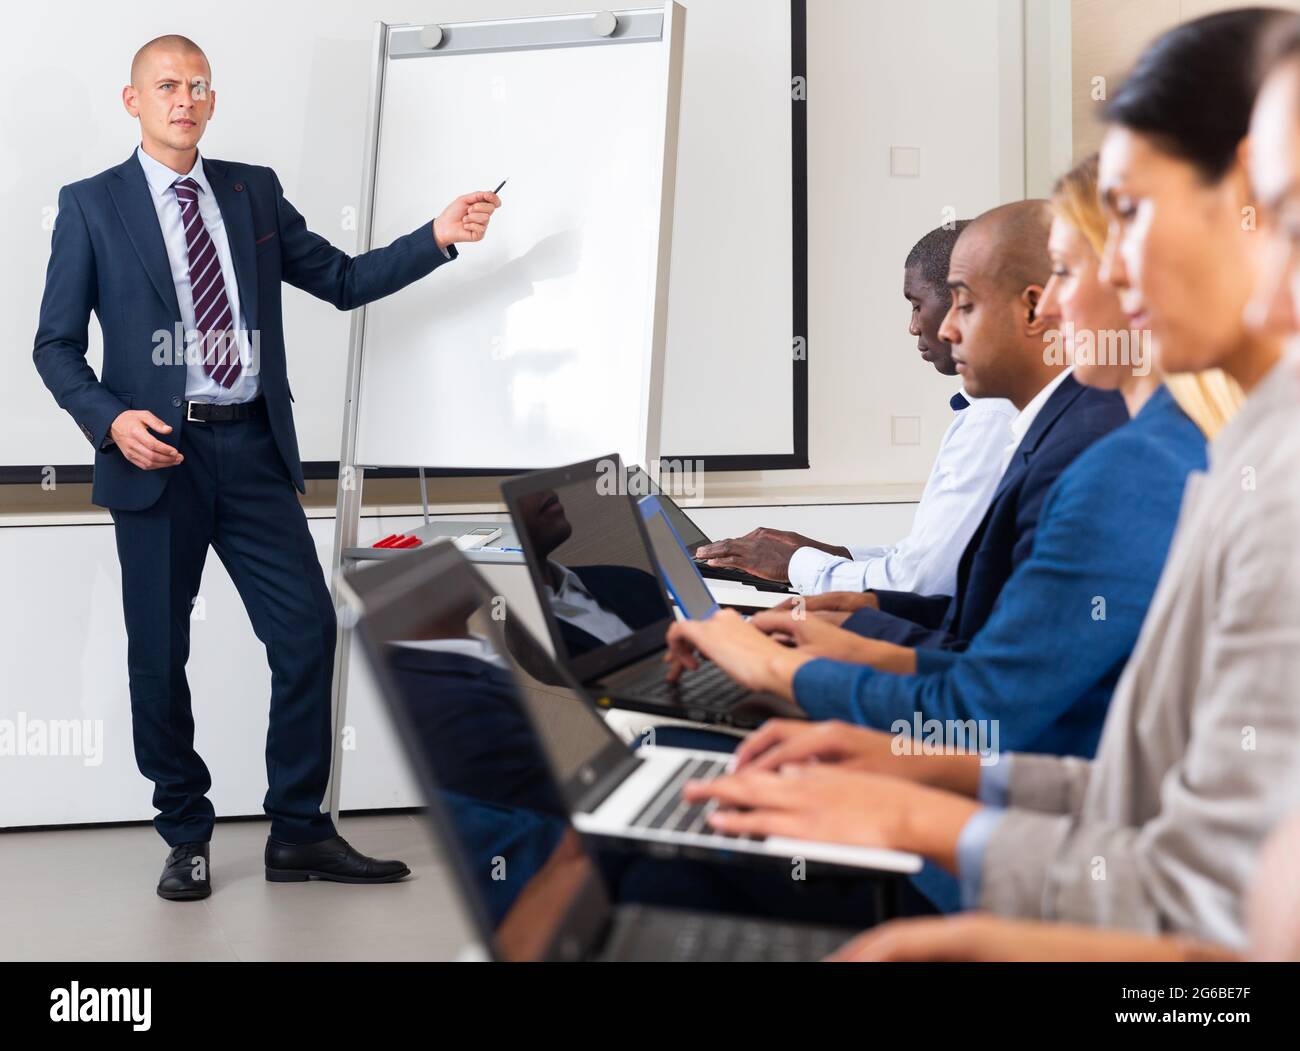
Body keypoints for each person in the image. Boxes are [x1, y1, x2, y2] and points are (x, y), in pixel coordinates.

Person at [673, 7, 1300, 949]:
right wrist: (919, 783)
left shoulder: (1182, 467)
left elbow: (1200, 914)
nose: (1117, 271)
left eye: (1129, 216)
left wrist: (923, 821)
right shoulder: (1238, 455)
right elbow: (1141, 788)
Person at [31, 35, 502, 900]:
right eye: (167, 85)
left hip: (251, 450)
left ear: (213, 100)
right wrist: (109, 421)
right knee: (158, 656)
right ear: (133, 101)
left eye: (199, 85)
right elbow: (54, 346)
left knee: (307, 630)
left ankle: (298, 829)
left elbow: (344, 278)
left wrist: (436, 236)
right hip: (155, 458)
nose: (186, 98)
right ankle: (186, 831)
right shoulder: (91, 204)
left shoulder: (252, 190)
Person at [664, 156, 1212, 767]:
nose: (1050, 305)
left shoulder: (1112, 454)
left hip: (1021, 783)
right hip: (1019, 762)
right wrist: (866, 617)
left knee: (678, 762)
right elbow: (996, 652)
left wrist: (777, 668)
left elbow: (990, 710)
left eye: (1064, 273)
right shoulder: (1096, 431)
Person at [789, 202, 1130, 653]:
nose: (945, 329)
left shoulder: (1069, 441)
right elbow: (975, 614)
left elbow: (998, 671)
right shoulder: (1050, 424)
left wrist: (803, 665)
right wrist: (851, 610)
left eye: (964, 305)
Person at [696, 224, 1017, 597]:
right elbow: (924, 560)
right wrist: (831, 555)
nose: (913, 327)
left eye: (916, 305)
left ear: (966, 302)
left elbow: (921, 584)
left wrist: (797, 563)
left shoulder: (993, 419)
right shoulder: (988, 411)